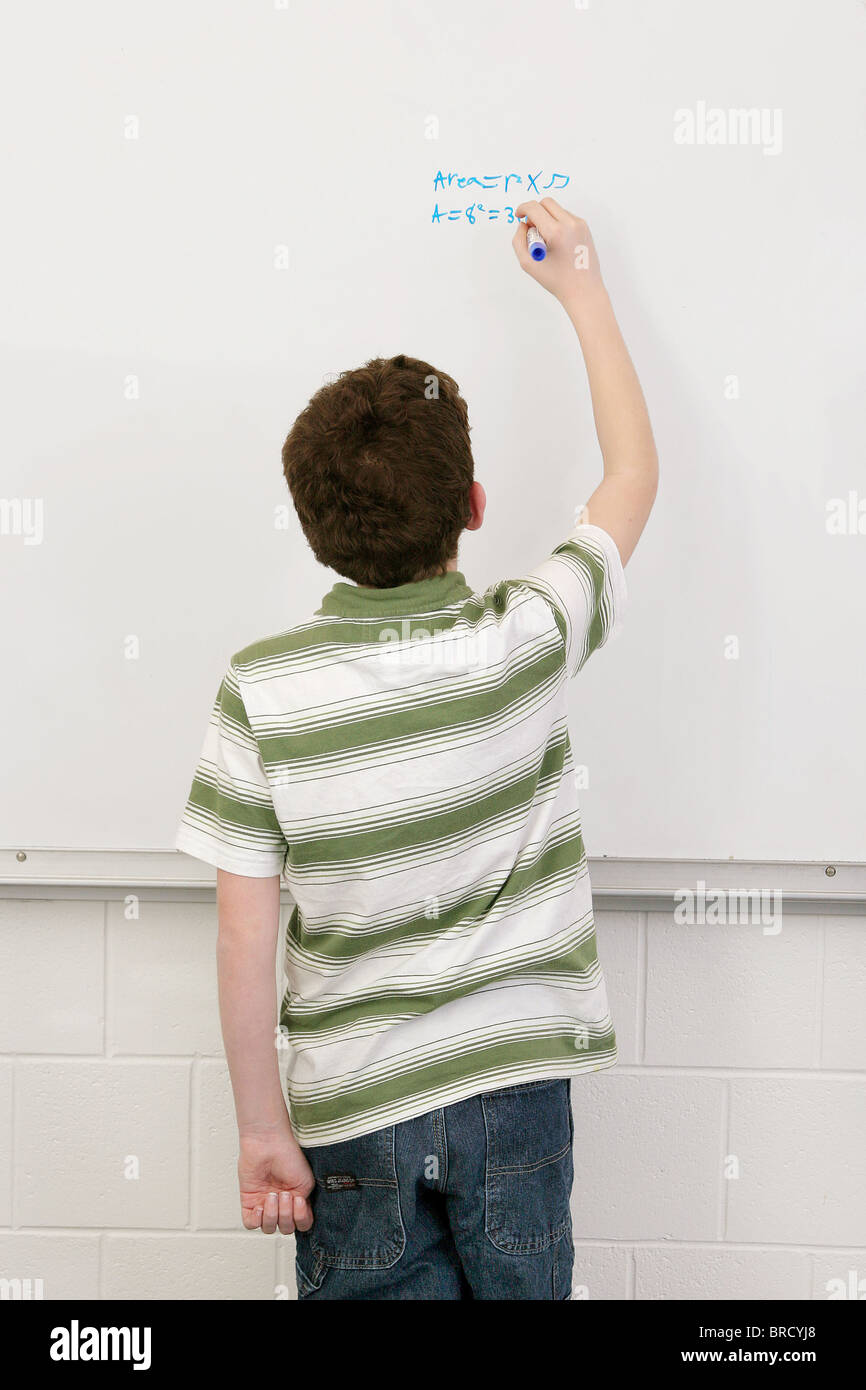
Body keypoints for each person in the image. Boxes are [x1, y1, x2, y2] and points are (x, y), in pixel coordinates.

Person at [175, 198, 658, 1300]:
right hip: (515, 1097)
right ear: (475, 505)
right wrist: (581, 285)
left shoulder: (263, 689)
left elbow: (242, 936)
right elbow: (630, 475)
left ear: (312, 524)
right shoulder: (524, 635)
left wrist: (261, 1127)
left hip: (353, 1119)